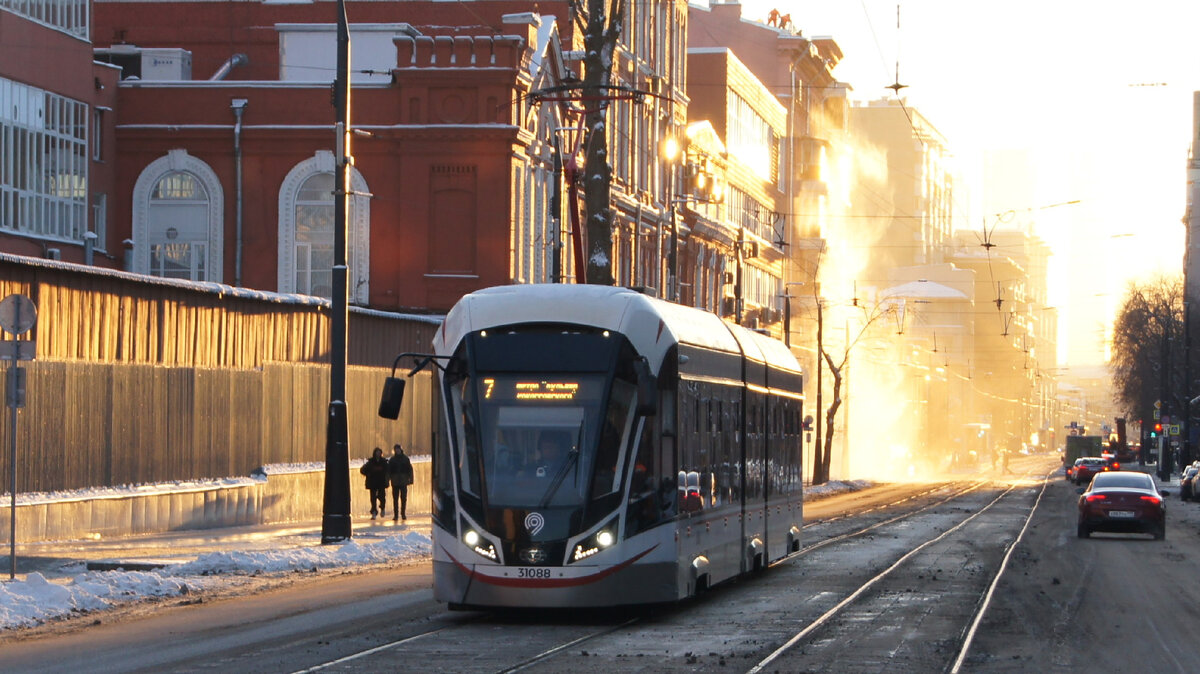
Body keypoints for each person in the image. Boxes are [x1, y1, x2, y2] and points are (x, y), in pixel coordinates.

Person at [360, 447, 389, 519]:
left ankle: (382, 508)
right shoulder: (371, 462)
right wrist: (368, 474)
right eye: (377, 452)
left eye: (379, 452)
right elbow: (363, 470)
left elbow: (388, 470)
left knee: (382, 497)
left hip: (381, 483)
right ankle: (374, 512)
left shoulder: (384, 462)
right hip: (373, 483)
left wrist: (387, 478)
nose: (378, 454)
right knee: (373, 499)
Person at [388, 443, 414, 522]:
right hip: (395, 482)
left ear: (400, 449)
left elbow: (410, 469)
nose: (397, 451)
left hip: (403, 481)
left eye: (398, 449)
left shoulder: (405, 459)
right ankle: (396, 515)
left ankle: (403, 514)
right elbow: (389, 471)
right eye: (396, 449)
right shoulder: (392, 460)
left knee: (403, 499)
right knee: (395, 499)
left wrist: (411, 479)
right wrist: (388, 480)